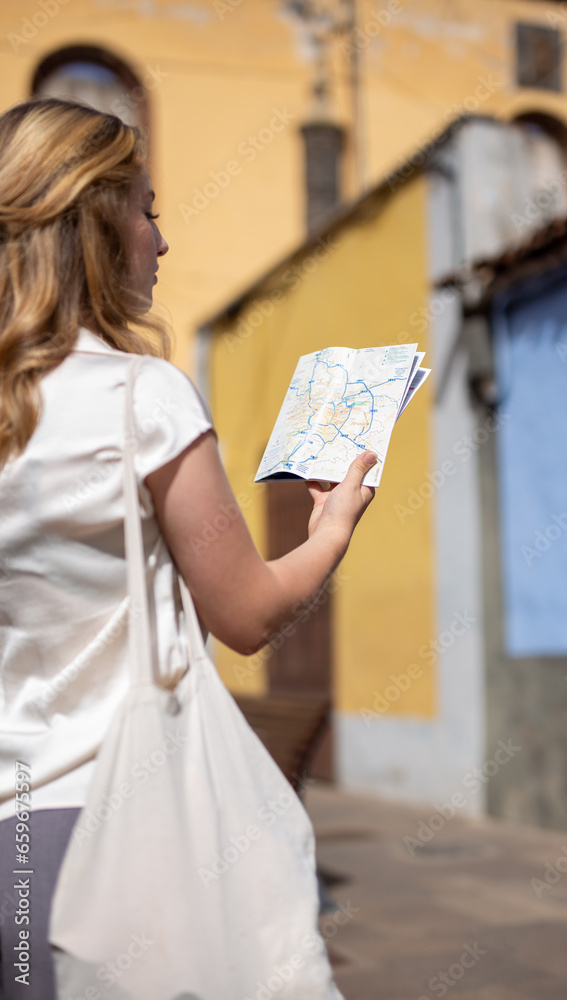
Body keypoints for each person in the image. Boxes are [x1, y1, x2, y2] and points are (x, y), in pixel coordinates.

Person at [0, 96, 376, 999]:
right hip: (124, 822)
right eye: (146, 210)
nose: (159, 242)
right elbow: (245, 615)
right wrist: (330, 529)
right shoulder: (142, 398)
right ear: (95, 221)